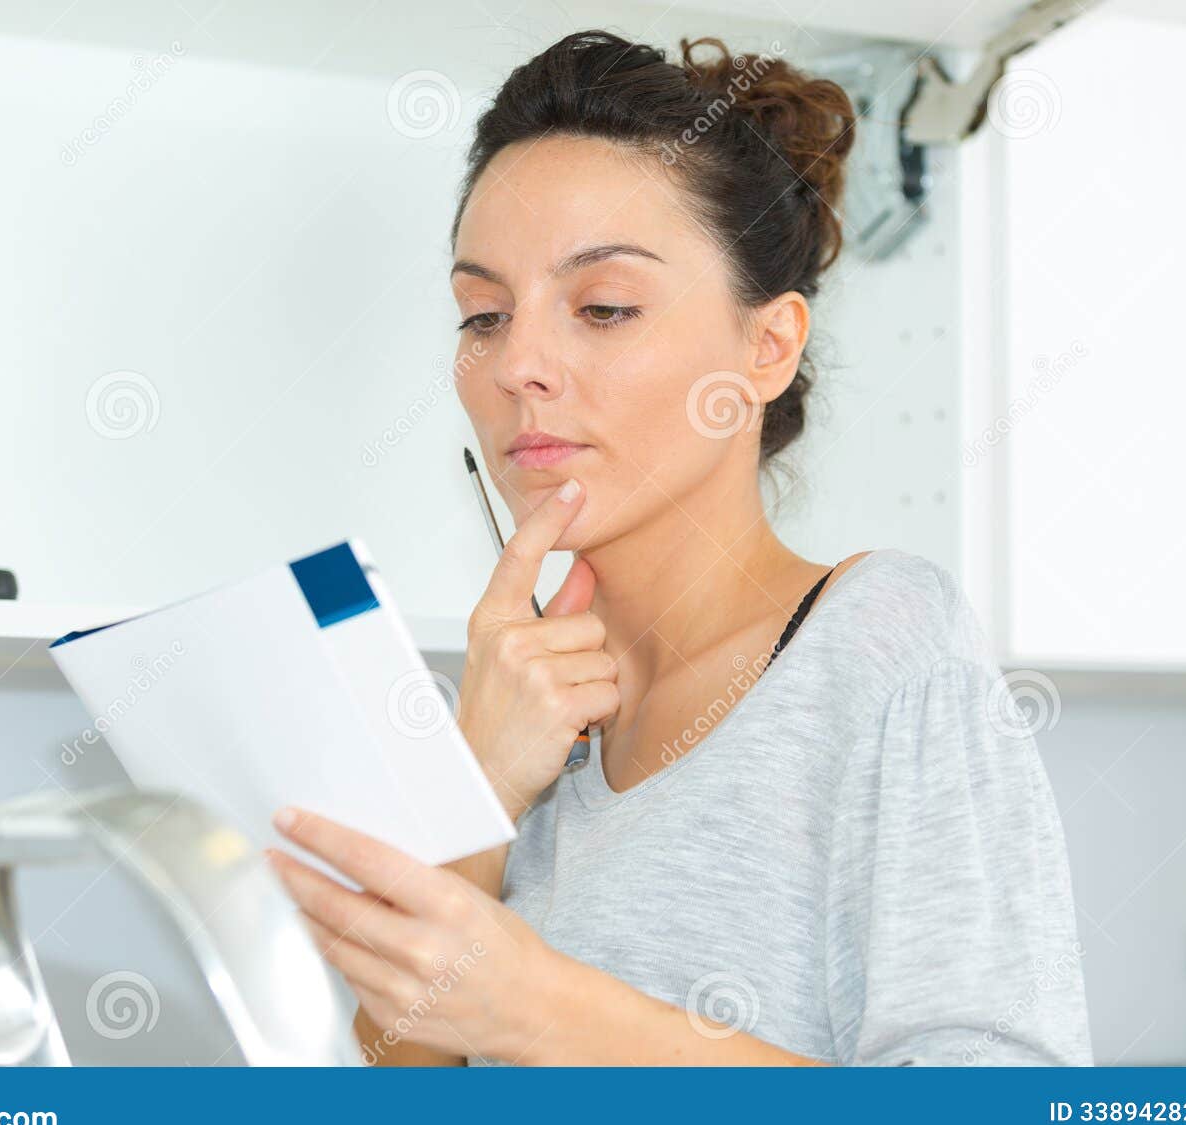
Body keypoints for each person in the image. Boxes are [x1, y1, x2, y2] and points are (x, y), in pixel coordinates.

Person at [267, 29, 1093, 1066]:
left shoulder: (880, 643)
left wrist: (539, 1006)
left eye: (603, 307)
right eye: (482, 314)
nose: (517, 361)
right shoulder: (516, 706)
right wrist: (471, 794)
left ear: (767, 347)